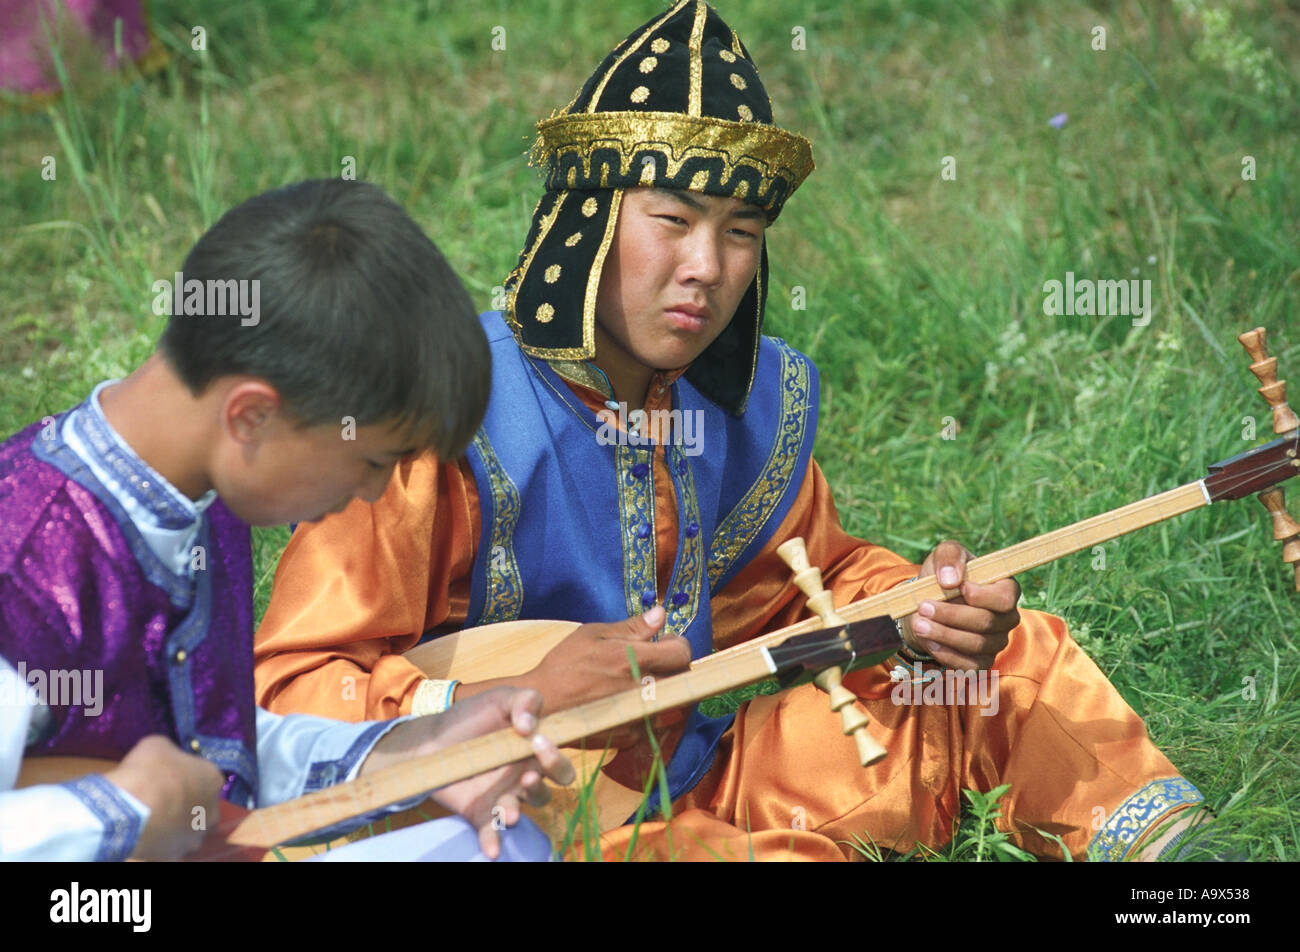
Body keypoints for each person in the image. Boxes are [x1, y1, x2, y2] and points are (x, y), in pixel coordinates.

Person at [253, 2, 1207, 861]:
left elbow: (811, 586)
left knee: (1007, 665)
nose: (704, 267)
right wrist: (514, 700)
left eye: (742, 233)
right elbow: (292, 690)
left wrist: (925, 613)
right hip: (514, 811)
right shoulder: (432, 410)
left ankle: (1197, 882)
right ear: (585, 221)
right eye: (671, 218)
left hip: (708, 775)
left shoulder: (738, 408)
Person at [0, 178, 573, 862]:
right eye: (370, 462)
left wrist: (418, 750)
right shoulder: (23, 555)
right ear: (252, 414)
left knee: (501, 850)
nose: (373, 495)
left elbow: (220, 754)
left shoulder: (205, 501)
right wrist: (119, 815)